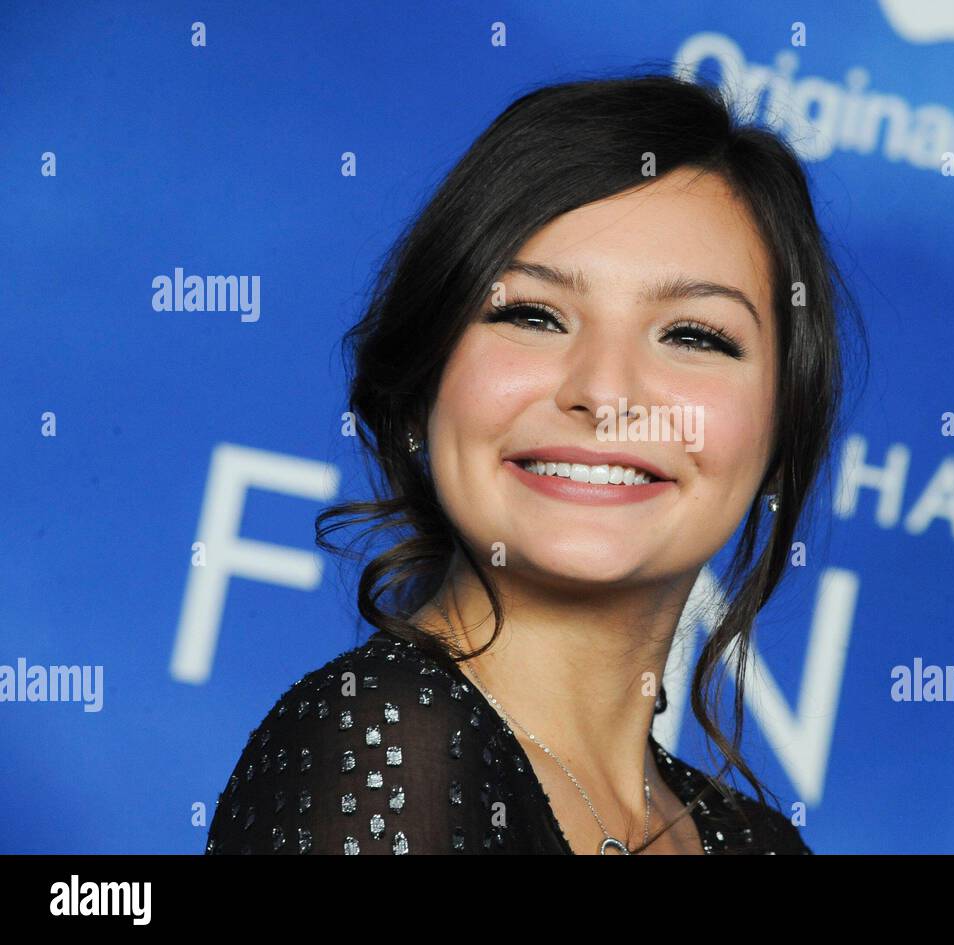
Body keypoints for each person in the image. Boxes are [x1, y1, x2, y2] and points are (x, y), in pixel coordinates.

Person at [207, 69, 859, 855]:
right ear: (425, 386)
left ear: (780, 431)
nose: (605, 392)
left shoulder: (755, 843)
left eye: (693, 334)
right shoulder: (384, 747)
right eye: (531, 314)